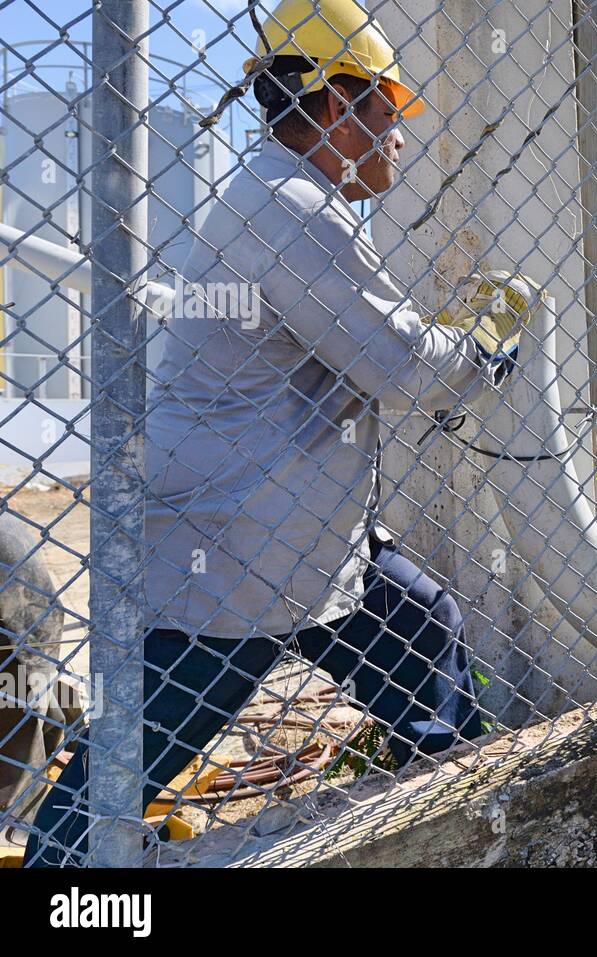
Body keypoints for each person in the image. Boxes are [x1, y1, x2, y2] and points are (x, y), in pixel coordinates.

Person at [24, 0, 530, 866]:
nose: (400, 136)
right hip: (232, 553)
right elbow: (400, 362)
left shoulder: (289, 197)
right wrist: (483, 354)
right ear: (335, 103)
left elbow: (362, 343)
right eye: (387, 109)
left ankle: (461, 825)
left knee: (424, 624)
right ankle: (64, 875)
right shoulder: (290, 208)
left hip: (300, 539)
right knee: (128, 763)